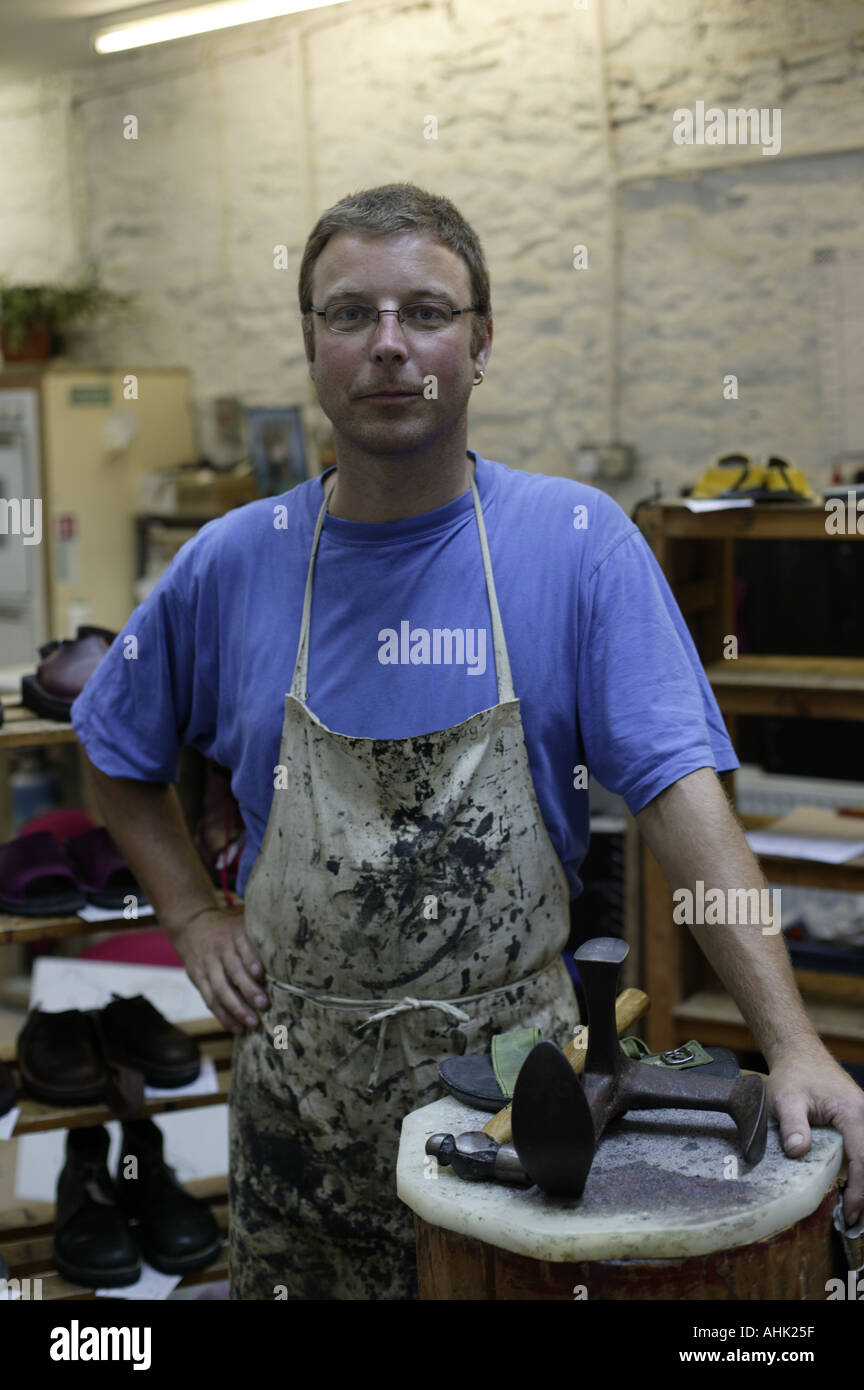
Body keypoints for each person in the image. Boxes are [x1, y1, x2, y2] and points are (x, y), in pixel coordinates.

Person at [72, 182, 864, 1300]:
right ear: (312, 345)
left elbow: (685, 802)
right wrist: (192, 913)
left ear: (481, 343)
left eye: (426, 312)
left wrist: (793, 1041)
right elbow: (113, 748)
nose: (389, 345)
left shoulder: (577, 544)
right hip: (299, 1116)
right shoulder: (231, 562)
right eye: (350, 314)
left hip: (517, 1100)